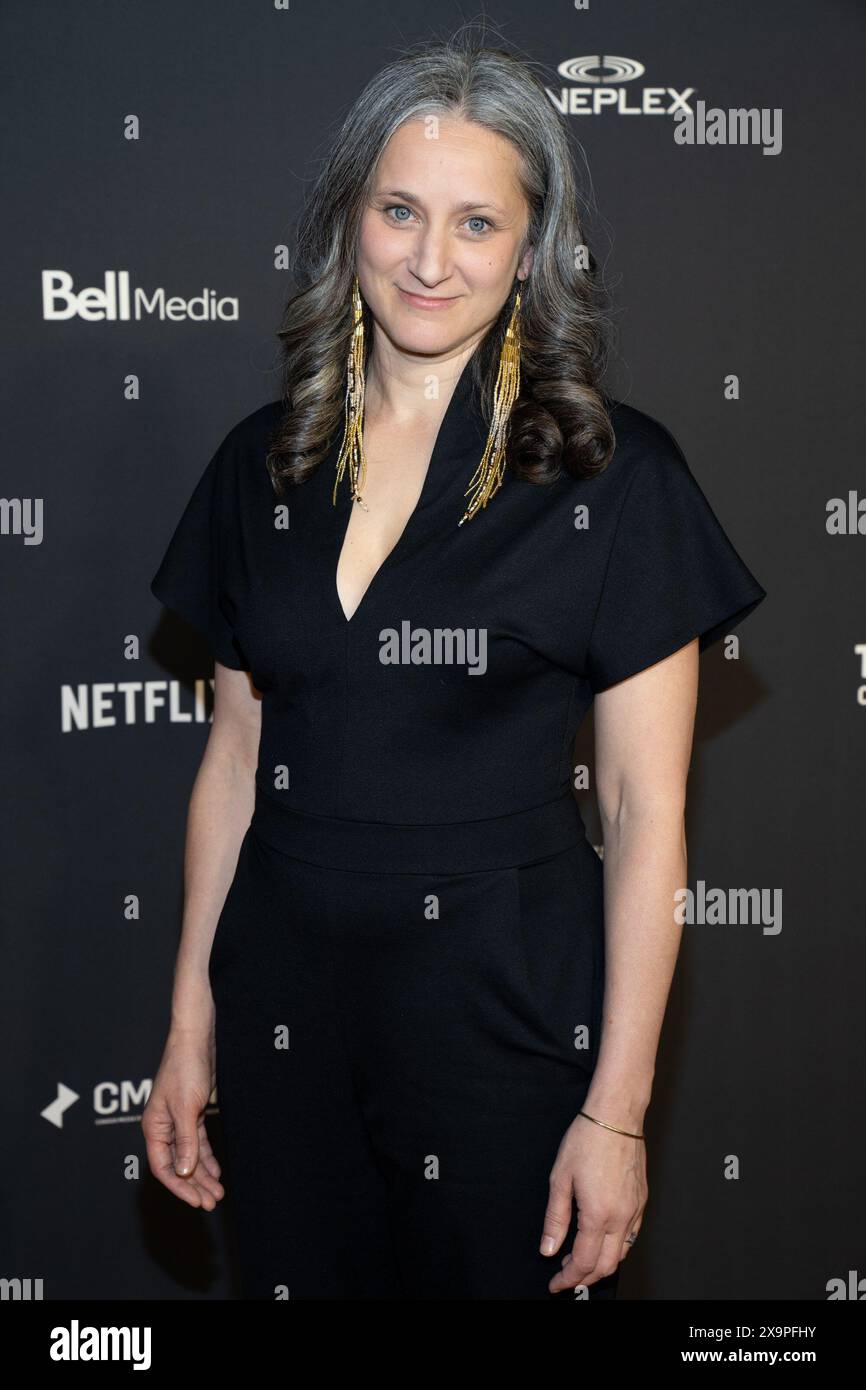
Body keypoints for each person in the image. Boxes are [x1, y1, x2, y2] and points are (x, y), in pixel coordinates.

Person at [142, 32, 767, 1301]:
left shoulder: (611, 476)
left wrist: (617, 1112)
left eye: (478, 222)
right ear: (348, 221)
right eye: (399, 211)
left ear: (531, 248)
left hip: (502, 1017)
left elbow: (647, 816)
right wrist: (192, 1019)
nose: (431, 260)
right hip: (283, 1014)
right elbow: (235, 758)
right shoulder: (263, 463)